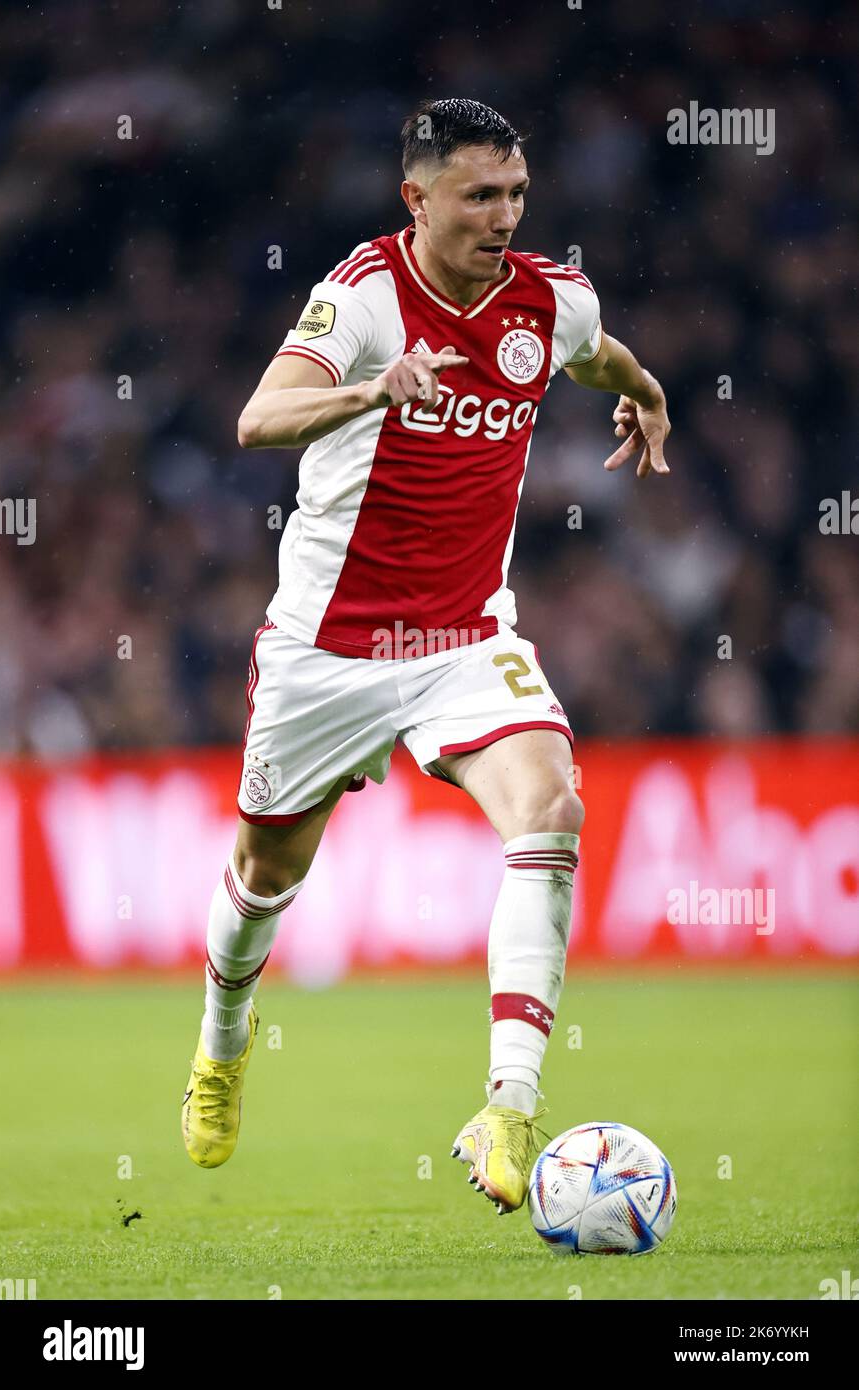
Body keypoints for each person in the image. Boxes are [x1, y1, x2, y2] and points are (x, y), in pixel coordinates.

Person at [181, 97, 670, 1214]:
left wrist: (643, 394)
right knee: (265, 878)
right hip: (327, 648)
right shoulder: (359, 297)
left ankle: (507, 1105)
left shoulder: (547, 299)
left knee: (549, 808)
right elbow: (258, 419)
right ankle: (221, 1043)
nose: (502, 216)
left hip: (463, 634)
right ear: (416, 198)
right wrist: (372, 390)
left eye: (514, 195)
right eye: (477, 196)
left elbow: (593, 354)